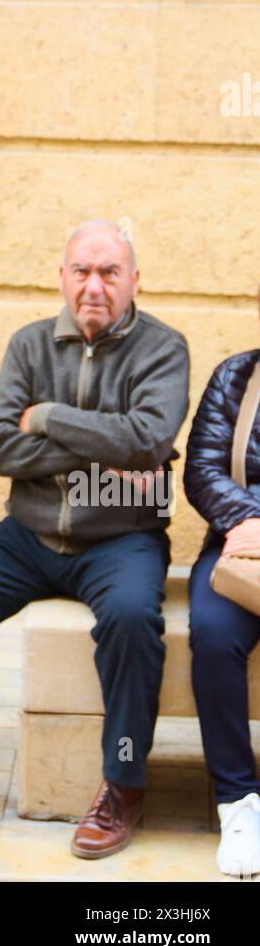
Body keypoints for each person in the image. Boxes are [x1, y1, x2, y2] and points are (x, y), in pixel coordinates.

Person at [0, 219, 190, 858]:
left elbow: (150, 441)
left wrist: (46, 419)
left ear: (133, 281)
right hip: (29, 535)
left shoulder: (162, 349)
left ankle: (123, 784)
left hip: (121, 538)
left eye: (109, 272)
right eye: (81, 271)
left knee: (130, 619)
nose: (93, 286)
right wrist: (104, 448)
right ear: (62, 277)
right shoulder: (28, 345)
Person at [184, 291, 260, 878]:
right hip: (240, 551)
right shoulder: (237, 376)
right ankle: (238, 801)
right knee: (211, 634)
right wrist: (248, 521)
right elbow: (202, 469)